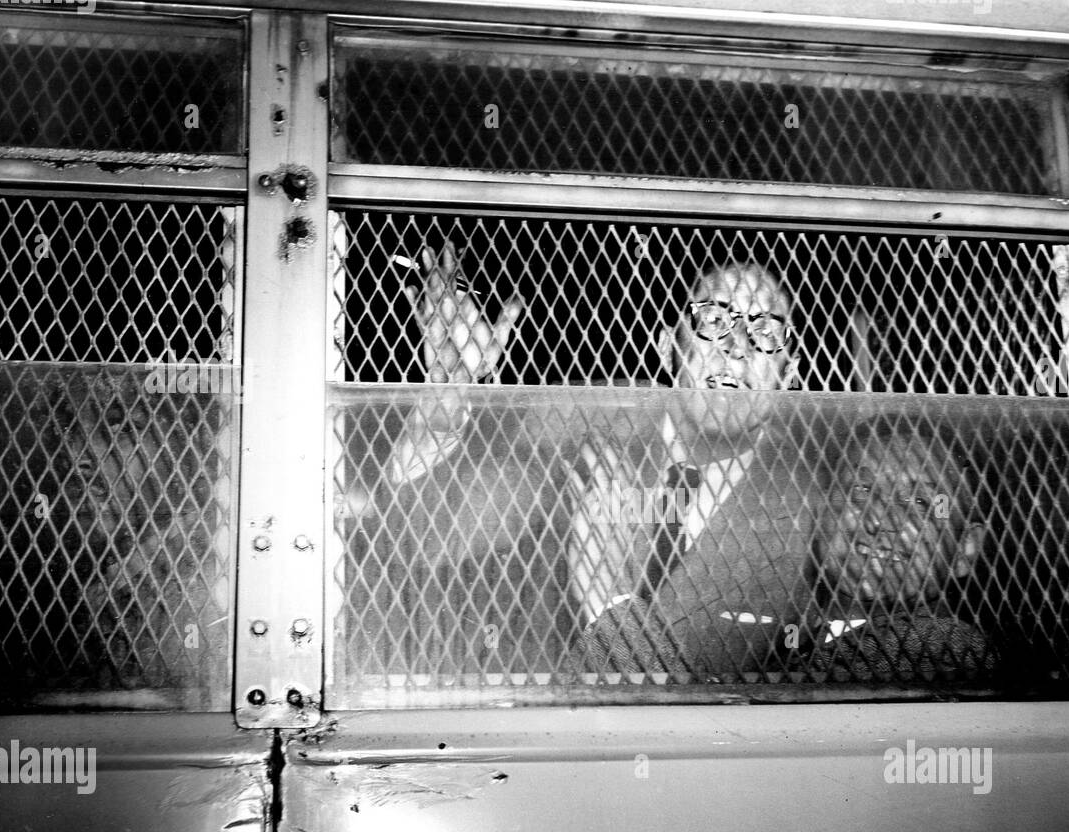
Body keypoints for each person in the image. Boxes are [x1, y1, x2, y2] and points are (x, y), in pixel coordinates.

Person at [567, 260, 820, 681]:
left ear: (788, 375)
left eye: (766, 332)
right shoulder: (578, 430)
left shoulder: (816, 512)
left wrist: (608, 605)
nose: (736, 345)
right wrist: (442, 409)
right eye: (714, 318)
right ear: (668, 347)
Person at [350, 243, 574, 686]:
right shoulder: (377, 442)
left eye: (463, 294)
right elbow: (425, 449)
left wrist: (459, 385)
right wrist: (446, 385)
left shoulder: (544, 467)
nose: (451, 310)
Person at [787, 415, 1000, 684]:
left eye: (921, 501)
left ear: (965, 549)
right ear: (819, 512)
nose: (879, 519)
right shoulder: (796, 628)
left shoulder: (940, 647)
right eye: (861, 489)